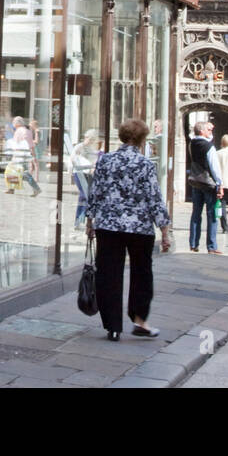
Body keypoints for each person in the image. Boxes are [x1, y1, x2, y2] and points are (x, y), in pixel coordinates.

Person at [86, 119, 171, 341]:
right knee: (142, 274)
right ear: (142, 140)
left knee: (108, 274)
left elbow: (95, 191)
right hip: (139, 227)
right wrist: (165, 230)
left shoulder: (106, 161)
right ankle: (139, 320)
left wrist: (90, 220)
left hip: (109, 225)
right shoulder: (145, 164)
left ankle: (113, 326)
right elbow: (154, 198)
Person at [185, 120, 224, 254]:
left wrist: (208, 130)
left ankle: (194, 243)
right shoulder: (209, 146)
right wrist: (220, 183)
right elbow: (214, 167)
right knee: (212, 214)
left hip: (196, 181)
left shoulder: (192, 143)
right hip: (208, 183)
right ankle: (212, 246)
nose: (211, 132)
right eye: (209, 130)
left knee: (196, 213)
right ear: (202, 131)